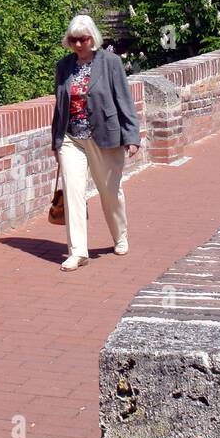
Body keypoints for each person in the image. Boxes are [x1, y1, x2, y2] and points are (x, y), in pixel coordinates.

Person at [51, 14, 141, 272]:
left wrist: (131, 135)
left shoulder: (110, 62)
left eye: (83, 39)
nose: (78, 44)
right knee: (73, 193)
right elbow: (60, 107)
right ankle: (78, 251)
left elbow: (123, 99)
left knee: (110, 193)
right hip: (71, 138)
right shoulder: (63, 66)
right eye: (73, 40)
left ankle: (120, 235)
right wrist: (56, 140)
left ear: (93, 38)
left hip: (105, 137)